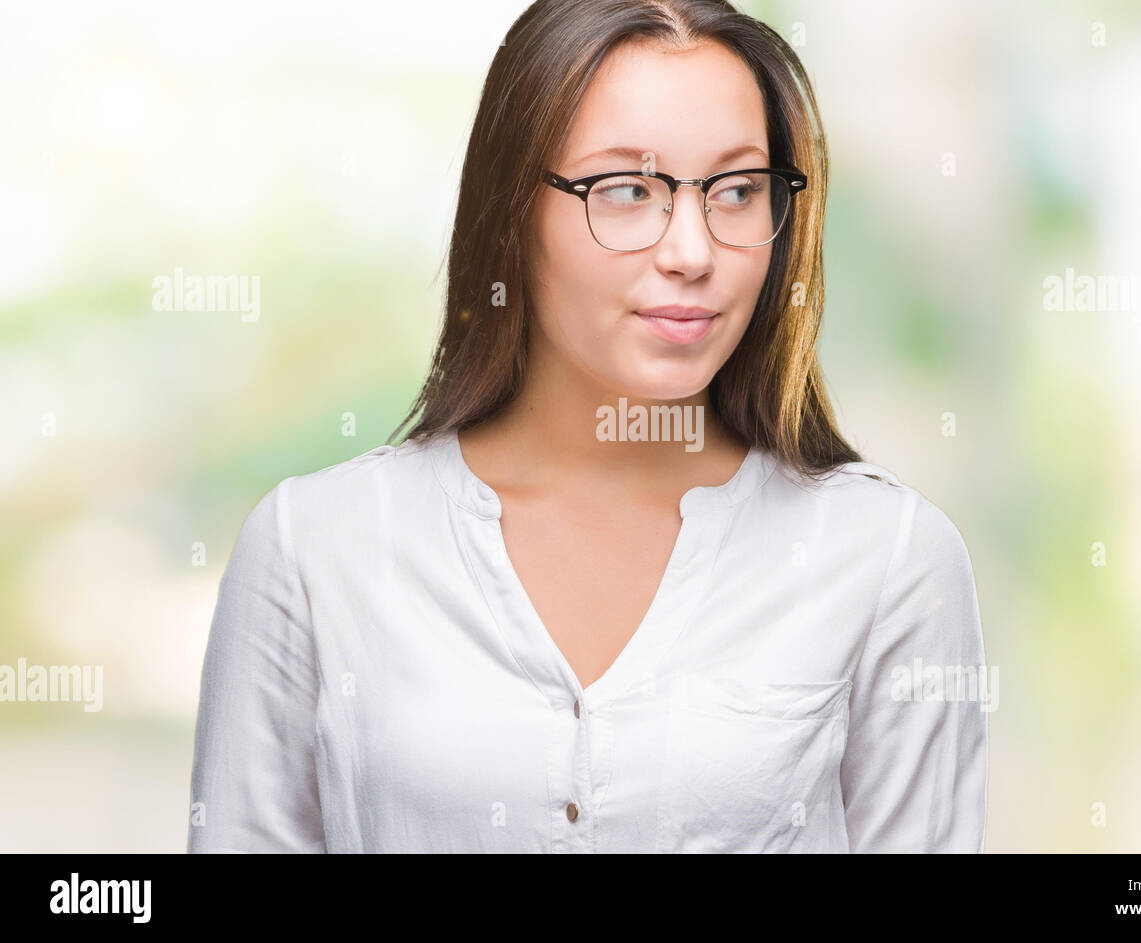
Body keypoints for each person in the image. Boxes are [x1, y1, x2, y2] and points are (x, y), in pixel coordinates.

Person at [187, 0, 988, 854]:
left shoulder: (890, 558)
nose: (692, 250)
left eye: (739, 190)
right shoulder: (318, 548)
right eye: (627, 190)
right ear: (510, 210)